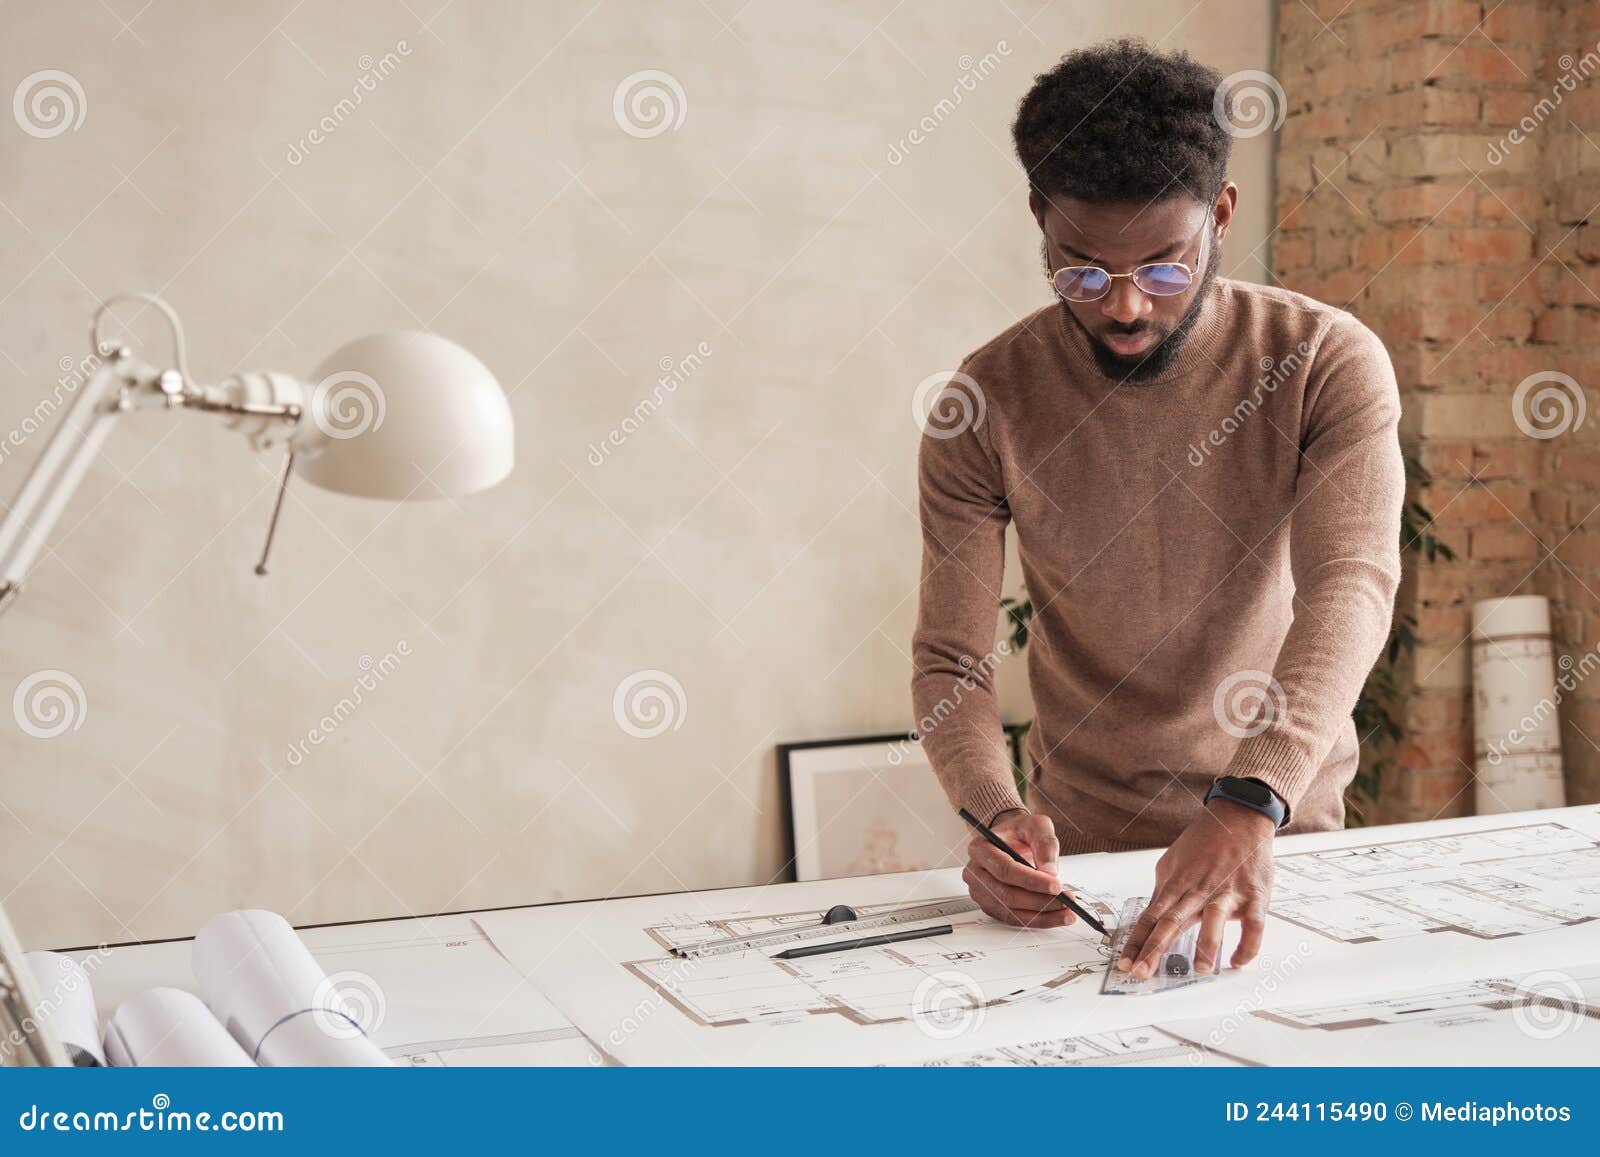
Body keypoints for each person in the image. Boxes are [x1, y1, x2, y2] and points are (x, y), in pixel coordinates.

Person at [910, 39, 1403, 980]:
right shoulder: (982, 401)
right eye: (1082, 271)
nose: (1126, 306)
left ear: (1221, 215)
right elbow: (950, 657)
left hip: (1285, 830)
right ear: (1039, 221)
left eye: (1165, 268)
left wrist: (1250, 799)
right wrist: (994, 815)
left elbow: (1352, 584)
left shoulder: (1325, 361)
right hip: (1083, 863)